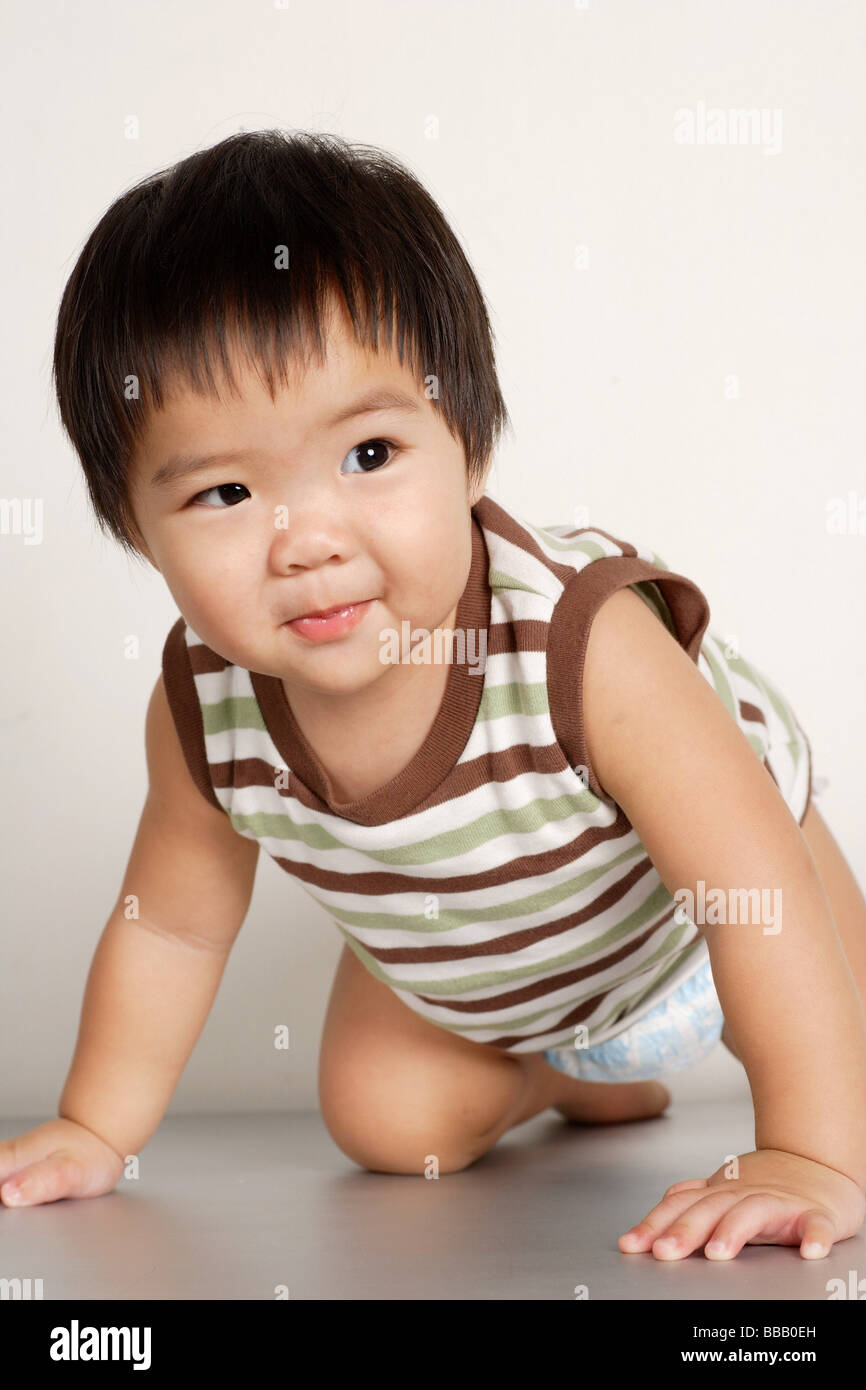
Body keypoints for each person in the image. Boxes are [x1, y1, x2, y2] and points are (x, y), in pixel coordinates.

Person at [3, 130, 865, 1266]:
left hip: (723, 916)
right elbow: (169, 925)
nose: (304, 540)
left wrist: (806, 1148)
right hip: (487, 968)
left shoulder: (577, 640)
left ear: (467, 443)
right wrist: (96, 1127)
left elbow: (746, 876)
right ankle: (564, 1077)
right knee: (382, 1120)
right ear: (134, 529)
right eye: (224, 490)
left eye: (367, 454)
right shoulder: (206, 712)